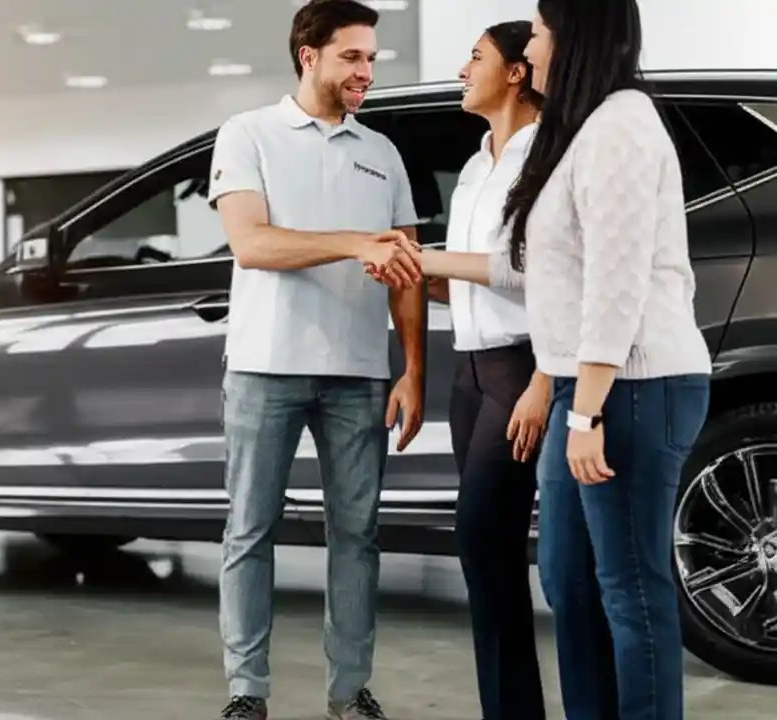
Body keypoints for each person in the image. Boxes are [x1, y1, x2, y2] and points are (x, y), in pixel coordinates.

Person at [434, 1, 709, 717]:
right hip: (584, 389)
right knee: (566, 578)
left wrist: (584, 408)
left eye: (545, 30)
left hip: (633, 385)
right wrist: (426, 261)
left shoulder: (621, 124)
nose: (537, 42)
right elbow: (541, 266)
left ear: (576, 36)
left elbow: (614, 282)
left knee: (628, 586)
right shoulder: (580, 130)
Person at [206, 1, 427, 718]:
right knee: (250, 530)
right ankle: (247, 692)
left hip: (360, 374)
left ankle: (348, 690)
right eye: (353, 57)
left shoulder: (382, 153)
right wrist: (353, 242)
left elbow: (408, 271)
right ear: (310, 56)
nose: (367, 70)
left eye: (371, 57)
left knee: (357, 537)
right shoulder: (249, 135)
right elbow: (253, 245)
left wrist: (414, 368)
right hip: (264, 368)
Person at [398, 21, 549, 720]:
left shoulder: (543, 154)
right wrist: (408, 271)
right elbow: (475, 280)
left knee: (483, 540)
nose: (463, 69)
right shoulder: (475, 166)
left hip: (523, 365)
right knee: (486, 555)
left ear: (516, 72)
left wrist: (426, 260)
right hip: (472, 371)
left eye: (477, 56)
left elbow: (527, 273)